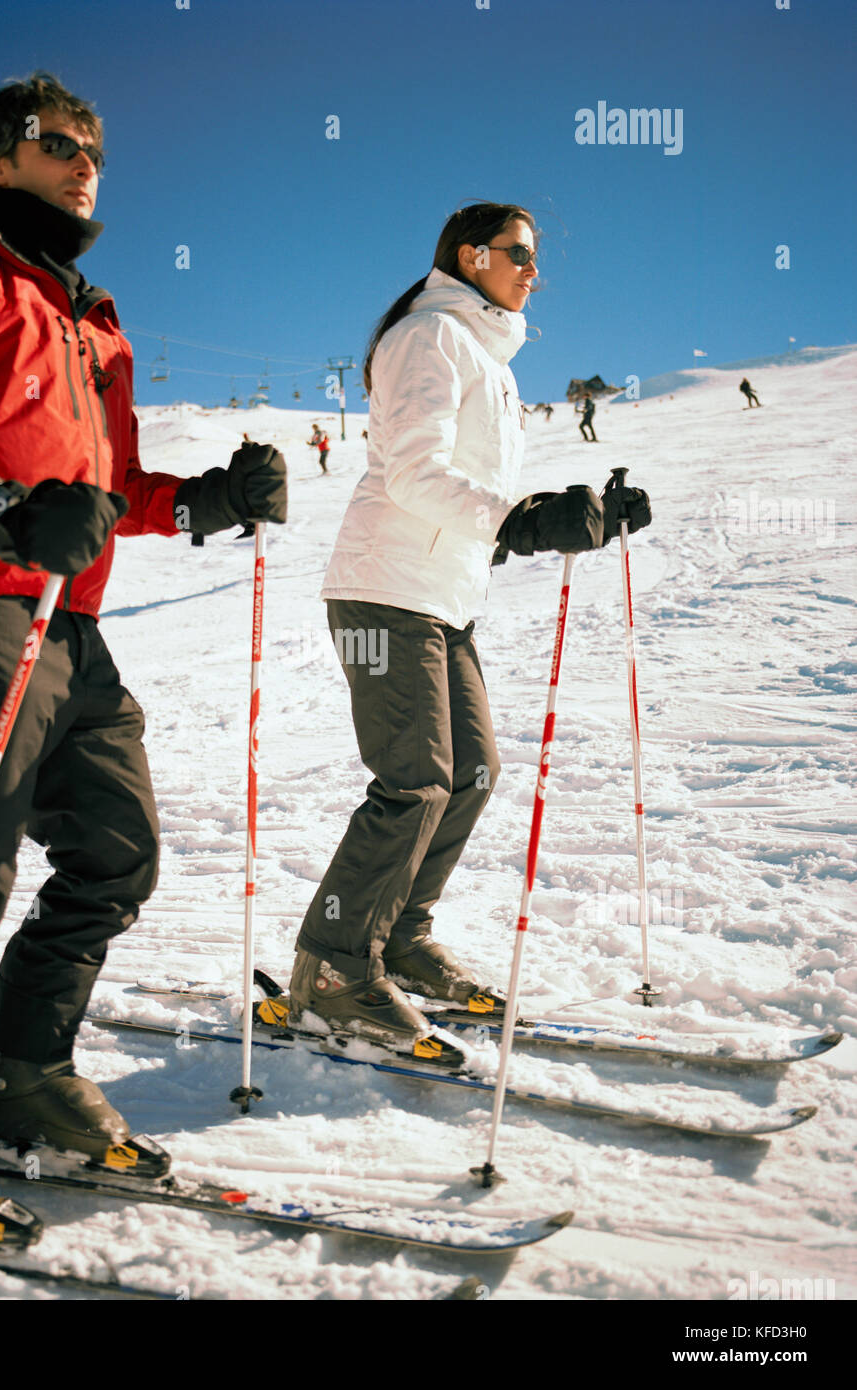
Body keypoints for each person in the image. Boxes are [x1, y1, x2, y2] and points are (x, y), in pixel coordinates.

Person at [0, 72, 286, 1235]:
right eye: (54, 142)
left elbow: (110, 491)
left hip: (69, 628)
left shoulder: (95, 317)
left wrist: (204, 501)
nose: (82, 162)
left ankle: (19, 1077)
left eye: (93, 149)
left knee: (116, 853)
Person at [288, 203, 651, 1053]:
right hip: (385, 588)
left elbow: (473, 493)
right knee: (415, 779)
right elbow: (417, 475)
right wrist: (521, 519)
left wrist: (583, 514)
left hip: (443, 598)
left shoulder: (484, 354)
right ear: (469, 255)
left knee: (471, 773)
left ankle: (399, 939)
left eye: (536, 257)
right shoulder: (430, 336)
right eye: (518, 253)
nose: (533, 270)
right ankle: (336, 965)